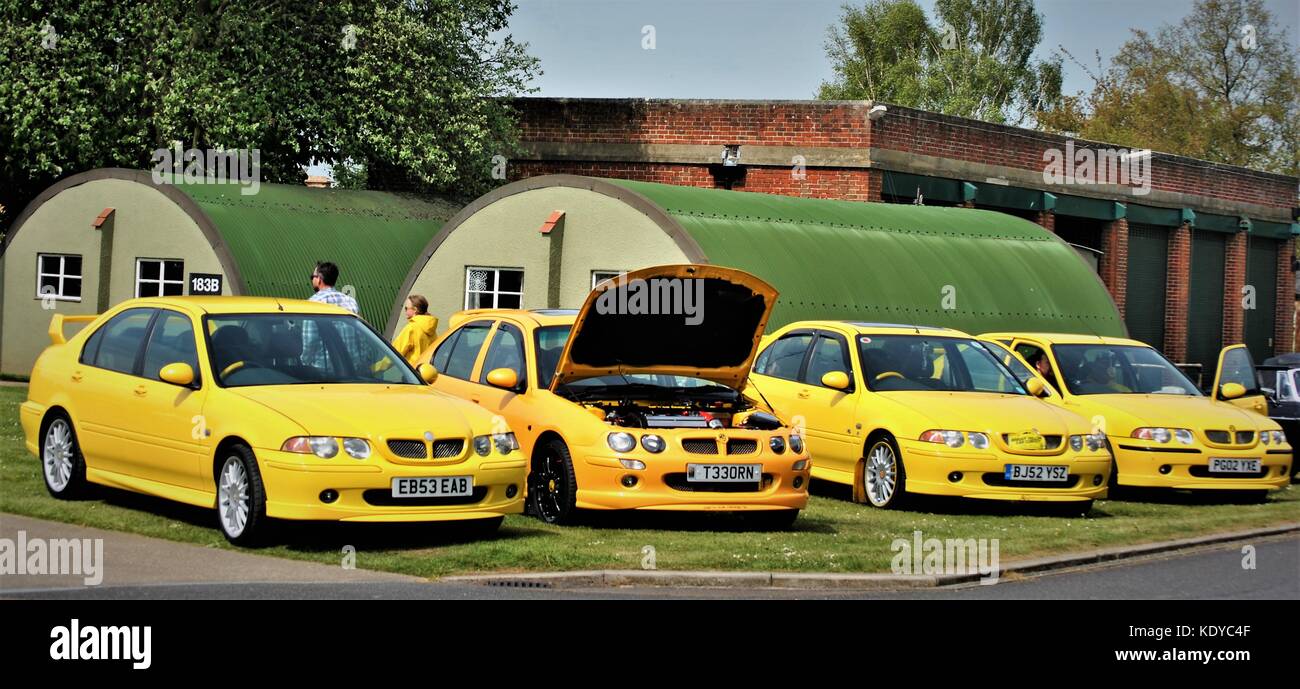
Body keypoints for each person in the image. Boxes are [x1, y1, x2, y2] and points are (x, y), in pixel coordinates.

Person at [301, 261, 360, 369]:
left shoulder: (313, 304)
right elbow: (360, 336)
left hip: (323, 371)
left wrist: (304, 361)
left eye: (312, 277)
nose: (312, 280)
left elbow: (310, 342)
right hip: (351, 370)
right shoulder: (350, 302)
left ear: (319, 279)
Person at [392, 294, 439, 366]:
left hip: (412, 372)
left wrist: (375, 368)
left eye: (406, 308)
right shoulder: (432, 330)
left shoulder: (411, 328)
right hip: (428, 372)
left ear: (415, 310)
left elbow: (394, 353)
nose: (405, 311)